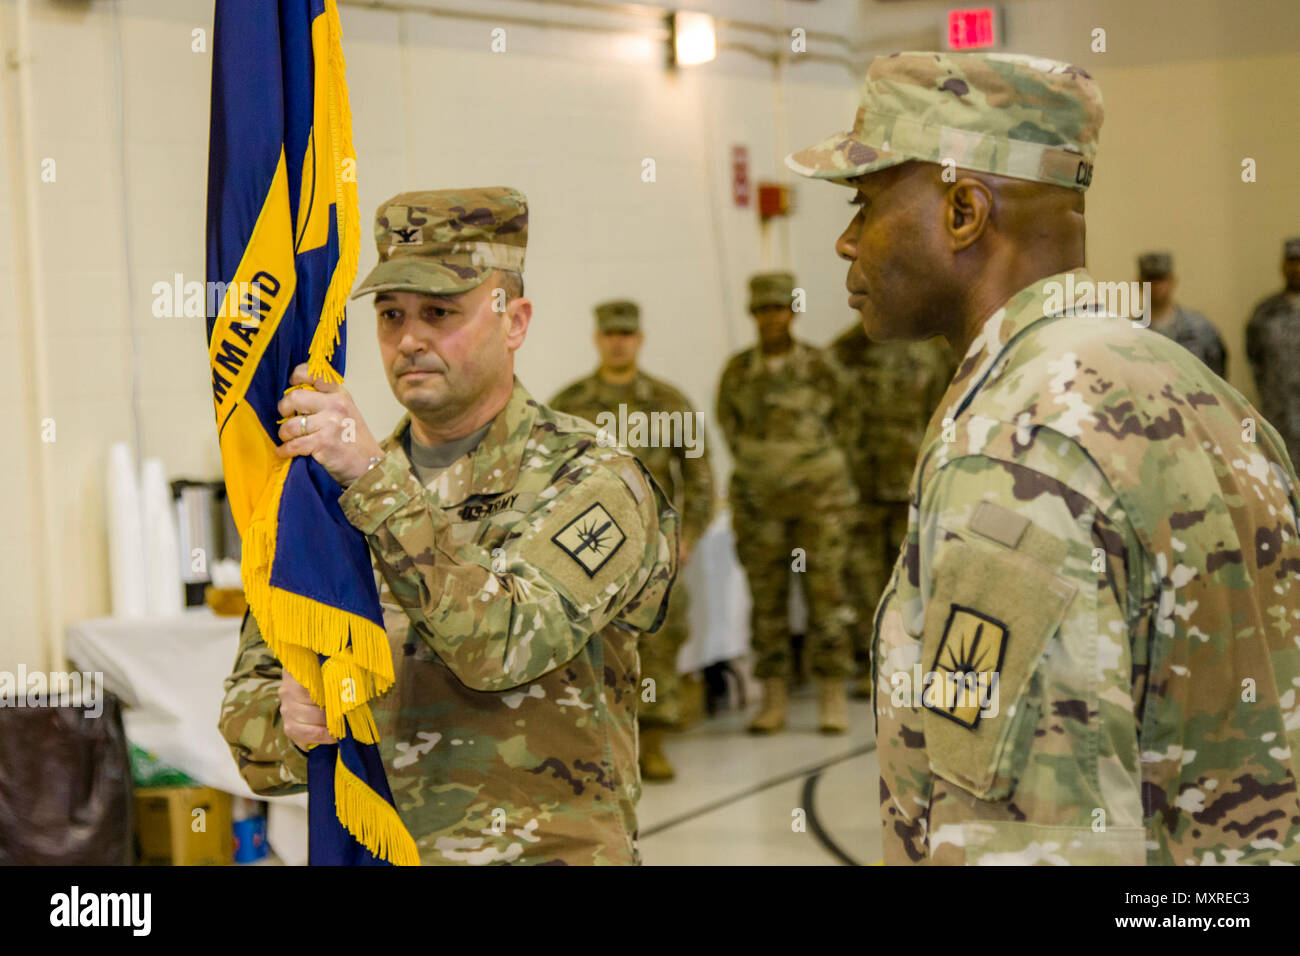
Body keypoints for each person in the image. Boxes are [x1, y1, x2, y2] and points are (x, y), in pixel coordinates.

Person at [788, 51, 1300, 864]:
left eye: (866, 202)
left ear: (963, 211)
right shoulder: (1202, 398)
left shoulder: (1014, 451)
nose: (848, 242)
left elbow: (1032, 840)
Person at [217, 187, 678, 865]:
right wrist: (292, 726)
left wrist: (373, 481)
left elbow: (504, 644)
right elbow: (244, 717)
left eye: (440, 312)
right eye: (391, 315)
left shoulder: (593, 478)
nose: (409, 340)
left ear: (514, 321)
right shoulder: (328, 495)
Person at [549, 300, 715, 781]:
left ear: (639, 339)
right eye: (610, 334)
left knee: (658, 641)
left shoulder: (667, 401)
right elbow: (548, 476)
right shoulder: (570, 402)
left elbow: (699, 476)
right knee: (589, 645)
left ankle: (655, 744)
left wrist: (688, 533)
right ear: (598, 339)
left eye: (627, 334)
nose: (618, 341)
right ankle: (597, 748)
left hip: (652, 548)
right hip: (589, 549)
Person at [715, 271, 858, 735]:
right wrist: (765, 467)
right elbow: (730, 427)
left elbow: (848, 423)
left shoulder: (822, 365)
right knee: (767, 601)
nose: (769, 318)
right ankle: (773, 700)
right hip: (760, 504)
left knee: (826, 596)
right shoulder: (738, 371)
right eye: (761, 310)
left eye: (777, 308)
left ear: (791, 311)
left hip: (819, 501)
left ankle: (831, 695)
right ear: (752, 314)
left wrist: (814, 464)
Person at [829, 325, 955, 699]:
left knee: (922, 575)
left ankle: (927, 663)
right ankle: (878, 662)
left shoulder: (932, 349)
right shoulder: (842, 352)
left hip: (914, 483)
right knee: (865, 579)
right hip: (859, 485)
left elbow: (950, 412)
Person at [1246, 236, 1300, 468]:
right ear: (1282, 265)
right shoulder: (1264, 312)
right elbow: (1254, 357)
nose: (1296, 268)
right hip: (1278, 421)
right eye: (1291, 261)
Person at [1137, 251, 1227, 377]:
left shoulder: (1200, 328)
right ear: (1139, 283)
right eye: (1150, 280)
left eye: (1161, 279)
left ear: (1172, 281)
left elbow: (1217, 374)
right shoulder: (1131, 331)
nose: (1156, 286)